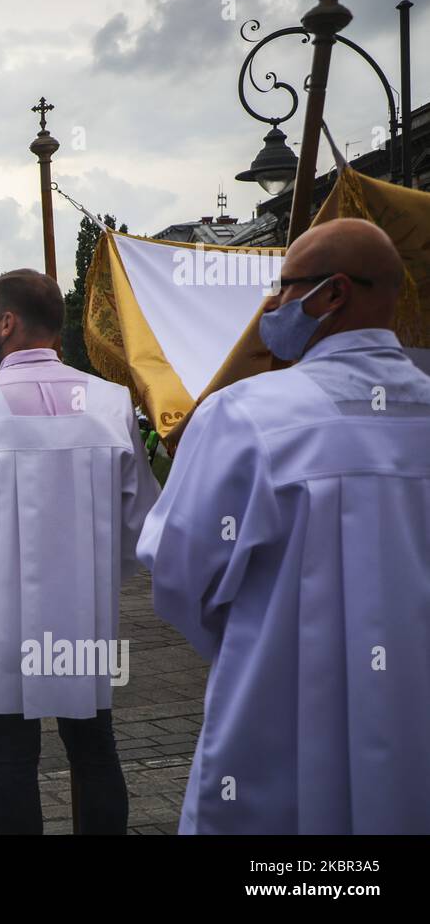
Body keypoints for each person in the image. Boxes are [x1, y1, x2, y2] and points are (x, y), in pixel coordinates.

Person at [138, 217, 430, 834]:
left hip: (281, 715)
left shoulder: (247, 415)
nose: (272, 306)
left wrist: (261, 637)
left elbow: (177, 572)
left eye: (285, 287)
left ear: (333, 294)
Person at [0, 269, 159, 834]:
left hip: (5, 620)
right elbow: (142, 517)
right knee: (94, 749)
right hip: (85, 616)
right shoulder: (111, 401)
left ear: (7, 322)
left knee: (10, 759)